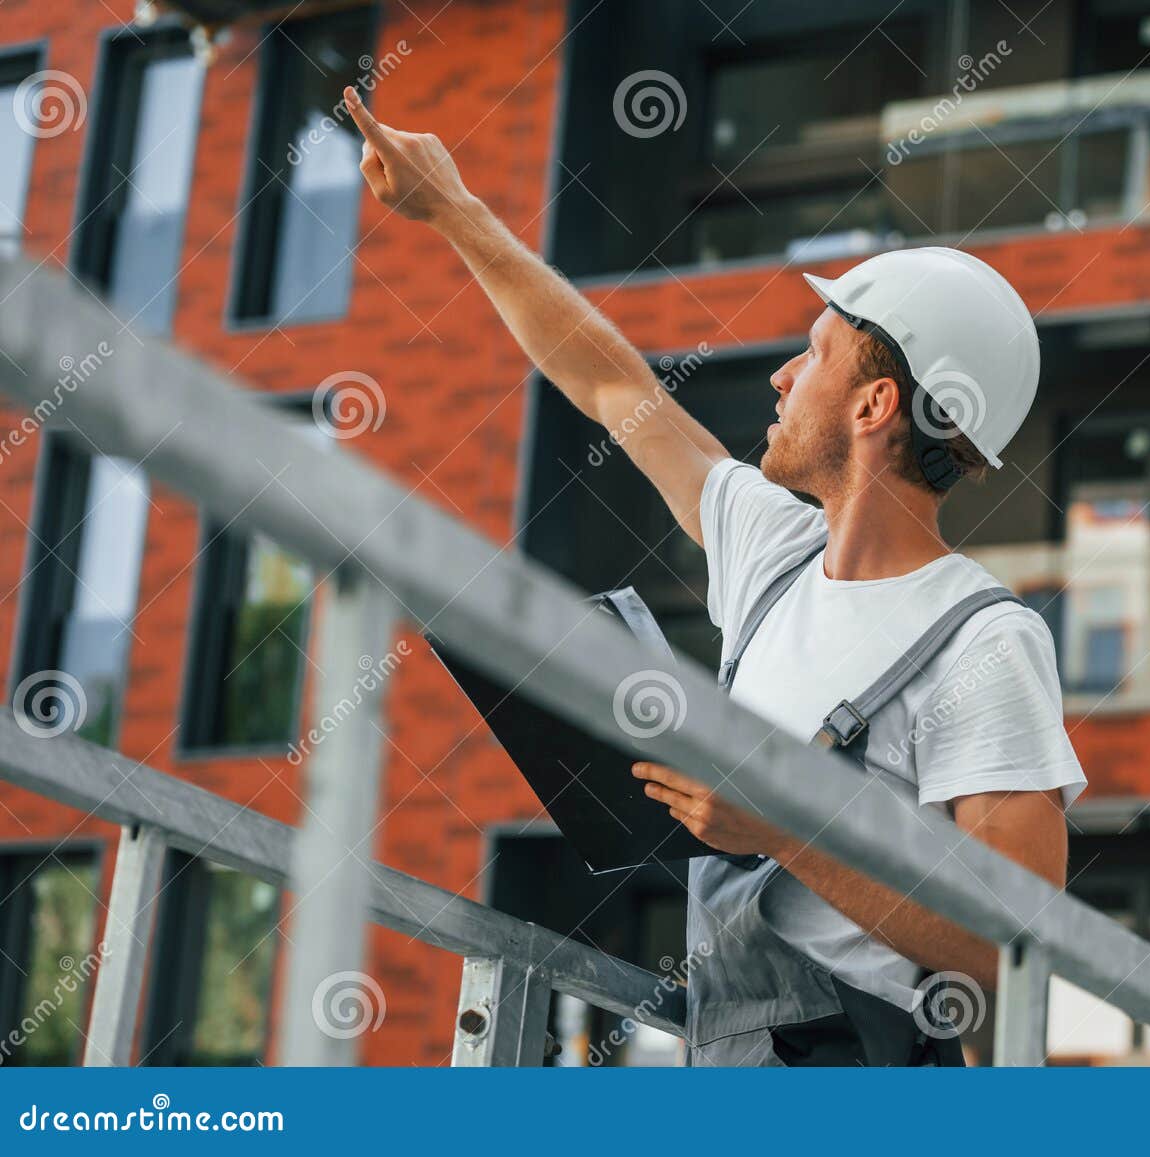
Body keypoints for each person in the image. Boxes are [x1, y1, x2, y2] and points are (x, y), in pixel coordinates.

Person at [343, 87, 1087, 1066]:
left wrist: (784, 826)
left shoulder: (982, 639)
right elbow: (612, 383)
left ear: (873, 404)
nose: (781, 377)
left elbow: (1012, 946)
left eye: (812, 353)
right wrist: (454, 210)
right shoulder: (774, 556)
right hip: (725, 1052)